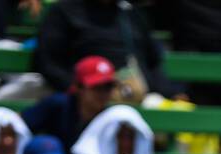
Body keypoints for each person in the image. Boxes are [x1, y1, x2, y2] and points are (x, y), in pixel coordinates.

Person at [34, 0, 181, 101]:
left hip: (135, 96)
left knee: (179, 112)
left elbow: (153, 61)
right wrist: (77, 90)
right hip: (85, 101)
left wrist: (171, 92)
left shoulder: (130, 13)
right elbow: (49, 62)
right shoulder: (64, 11)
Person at [21, 56, 119, 154]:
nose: (103, 93)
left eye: (108, 87)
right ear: (78, 87)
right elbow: (18, 127)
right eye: (97, 87)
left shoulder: (111, 117)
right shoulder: (56, 105)